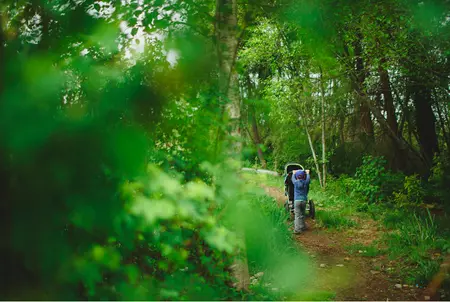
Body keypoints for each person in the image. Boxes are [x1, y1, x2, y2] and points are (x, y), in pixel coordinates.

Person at [291, 169, 310, 234]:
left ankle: (297, 229)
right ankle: (302, 226)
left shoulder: (295, 182)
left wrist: (293, 173)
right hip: (304, 200)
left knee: (297, 215)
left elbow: (292, 178)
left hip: (297, 201)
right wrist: (307, 173)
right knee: (302, 214)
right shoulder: (306, 182)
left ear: (297, 176)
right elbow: (308, 179)